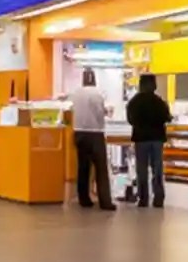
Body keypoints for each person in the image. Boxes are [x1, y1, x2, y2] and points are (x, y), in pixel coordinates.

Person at [71, 69, 116, 211]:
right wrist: (107, 112)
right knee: (101, 169)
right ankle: (105, 202)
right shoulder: (97, 93)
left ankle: (84, 199)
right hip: (95, 133)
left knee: (83, 167)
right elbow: (99, 112)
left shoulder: (76, 93)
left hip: (78, 132)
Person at [127, 73, 172, 208]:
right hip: (157, 139)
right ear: (154, 85)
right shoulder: (159, 101)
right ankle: (158, 198)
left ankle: (143, 198)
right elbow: (167, 117)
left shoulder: (134, 102)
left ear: (141, 85)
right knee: (157, 169)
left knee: (142, 170)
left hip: (141, 139)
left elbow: (130, 119)